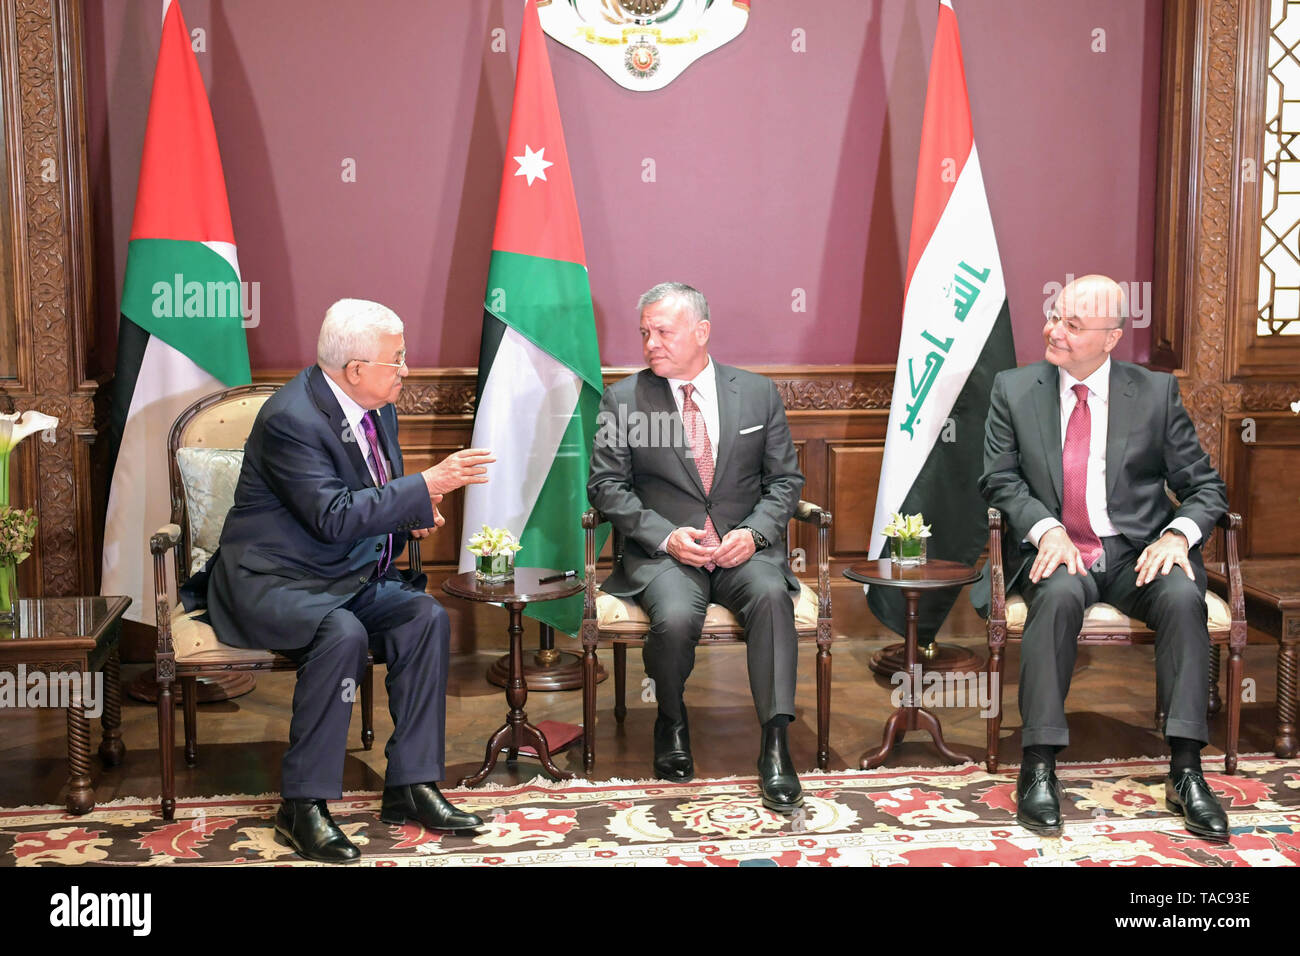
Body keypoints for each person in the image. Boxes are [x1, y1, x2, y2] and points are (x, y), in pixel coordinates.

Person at [207, 298, 496, 863]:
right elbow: (333, 515)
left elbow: (368, 498)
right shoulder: (292, 418)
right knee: (341, 633)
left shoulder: (376, 404)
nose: (406, 369)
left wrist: (412, 516)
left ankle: (412, 784)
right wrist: (426, 484)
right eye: (398, 359)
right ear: (356, 369)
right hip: (274, 578)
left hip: (342, 571)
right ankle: (302, 803)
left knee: (424, 617)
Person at [974, 274, 1229, 842]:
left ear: (1111, 337)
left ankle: (1186, 769)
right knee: (1058, 597)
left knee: (1184, 596)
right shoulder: (1014, 389)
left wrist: (1178, 536)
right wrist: (1044, 530)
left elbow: (1206, 488)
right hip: (1058, 548)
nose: (1053, 330)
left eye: (1071, 324)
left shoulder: (1155, 394)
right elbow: (999, 480)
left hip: (1136, 552)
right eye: (1055, 315)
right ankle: (1038, 763)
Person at [587, 282, 806, 813]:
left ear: (702, 331)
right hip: (667, 553)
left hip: (742, 549)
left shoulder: (756, 393)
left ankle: (775, 744)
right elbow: (606, 486)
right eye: (644, 333)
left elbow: (785, 483)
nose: (650, 344)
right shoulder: (624, 399)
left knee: (772, 598)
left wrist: (753, 534)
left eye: (663, 331)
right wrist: (665, 535)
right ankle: (671, 718)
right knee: (678, 616)